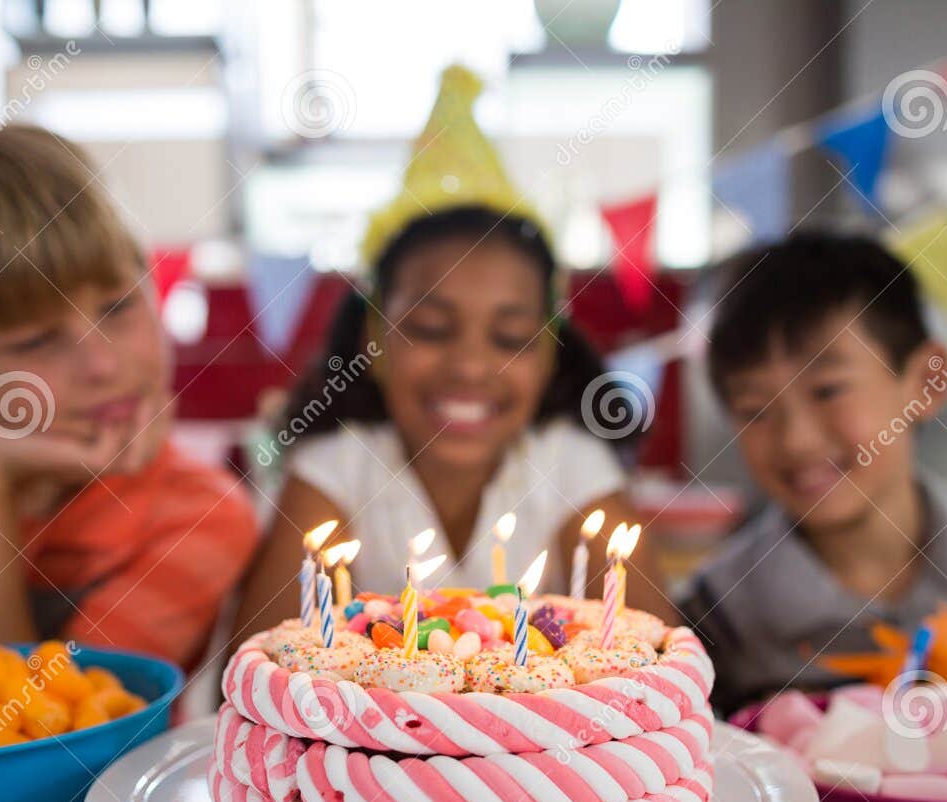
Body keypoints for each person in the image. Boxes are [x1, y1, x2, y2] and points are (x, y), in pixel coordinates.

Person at [232, 67, 673, 639]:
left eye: (511, 338)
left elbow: (654, 662)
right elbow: (259, 667)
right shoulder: (337, 471)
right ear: (376, 339)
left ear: (548, 353)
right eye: (432, 328)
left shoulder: (570, 466)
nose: (469, 366)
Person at [0, 124, 256, 670]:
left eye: (118, 307)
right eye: (37, 341)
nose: (104, 365)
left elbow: (25, 730)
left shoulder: (203, 515)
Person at [681, 234, 947, 715]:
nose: (796, 440)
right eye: (755, 410)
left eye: (828, 390)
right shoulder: (718, 612)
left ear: (926, 382)